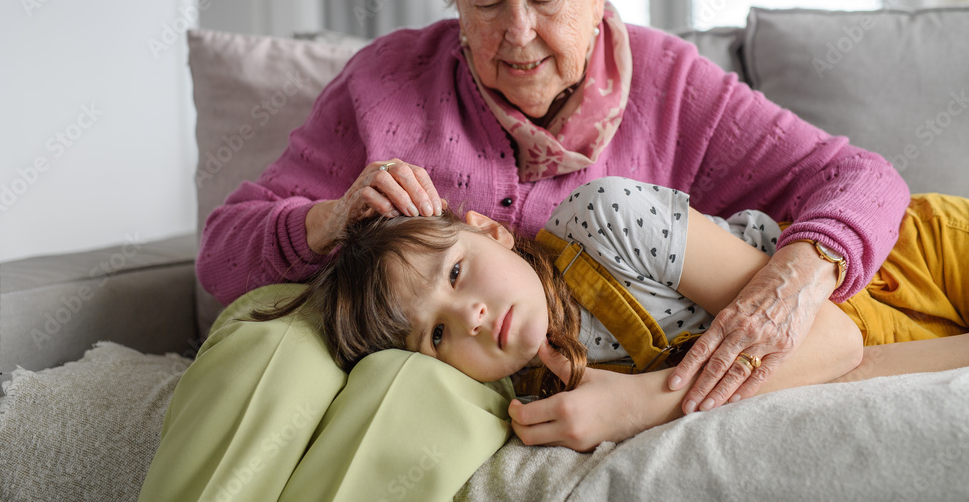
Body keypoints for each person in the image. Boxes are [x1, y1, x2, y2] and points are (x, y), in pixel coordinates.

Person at [198, 0, 909, 421]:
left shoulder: (672, 85)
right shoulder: (385, 83)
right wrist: (328, 219)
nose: (517, 32)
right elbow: (221, 259)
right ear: (455, 1)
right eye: (486, 3)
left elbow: (863, 180)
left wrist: (790, 285)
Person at [258, 176, 969, 452]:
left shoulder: (605, 219)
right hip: (872, 358)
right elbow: (850, 366)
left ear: (492, 231)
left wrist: (641, 403)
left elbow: (833, 333)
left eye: (455, 272)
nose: (469, 316)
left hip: (912, 261)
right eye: (437, 333)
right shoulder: (529, 401)